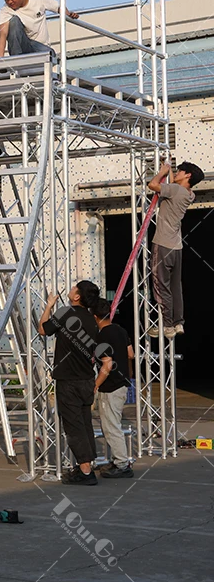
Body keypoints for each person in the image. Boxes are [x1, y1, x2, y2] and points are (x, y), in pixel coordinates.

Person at [38, 280, 100, 485]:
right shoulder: (91, 320)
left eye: (74, 288)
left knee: (74, 426)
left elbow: (44, 329)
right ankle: (88, 463)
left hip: (69, 380)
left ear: (77, 296)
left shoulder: (66, 313)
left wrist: (48, 305)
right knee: (85, 423)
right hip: (86, 378)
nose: (71, 289)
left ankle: (85, 471)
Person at [148, 160, 204, 338]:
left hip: (163, 244)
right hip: (176, 247)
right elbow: (173, 185)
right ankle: (178, 322)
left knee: (161, 286)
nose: (177, 174)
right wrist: (170, 171)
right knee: (175, 287)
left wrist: (162, 171)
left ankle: (167, 325)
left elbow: (153, 185)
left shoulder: (175, 190)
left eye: (180, 171)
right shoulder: (189, 194)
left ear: (188, 175)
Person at [92, 299, 135, 479]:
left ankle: (122, 463)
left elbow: (106, 365)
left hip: (110, 387)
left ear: (95, 317)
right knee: (112, 424)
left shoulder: (101, 336)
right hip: (122, 384)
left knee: (111, 426)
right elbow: (131, 354)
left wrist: (96, 384)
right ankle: (118, 460)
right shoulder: (121, 330)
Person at [0, 0, 79, 59]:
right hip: (22, 46)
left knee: (50, 54)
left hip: (40, 47)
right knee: (13, 21)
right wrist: (0, 59)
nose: (10, 2)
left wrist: (68, 14)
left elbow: (58, 7)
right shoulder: (5, 10)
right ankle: (16, 60)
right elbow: (3, 34)